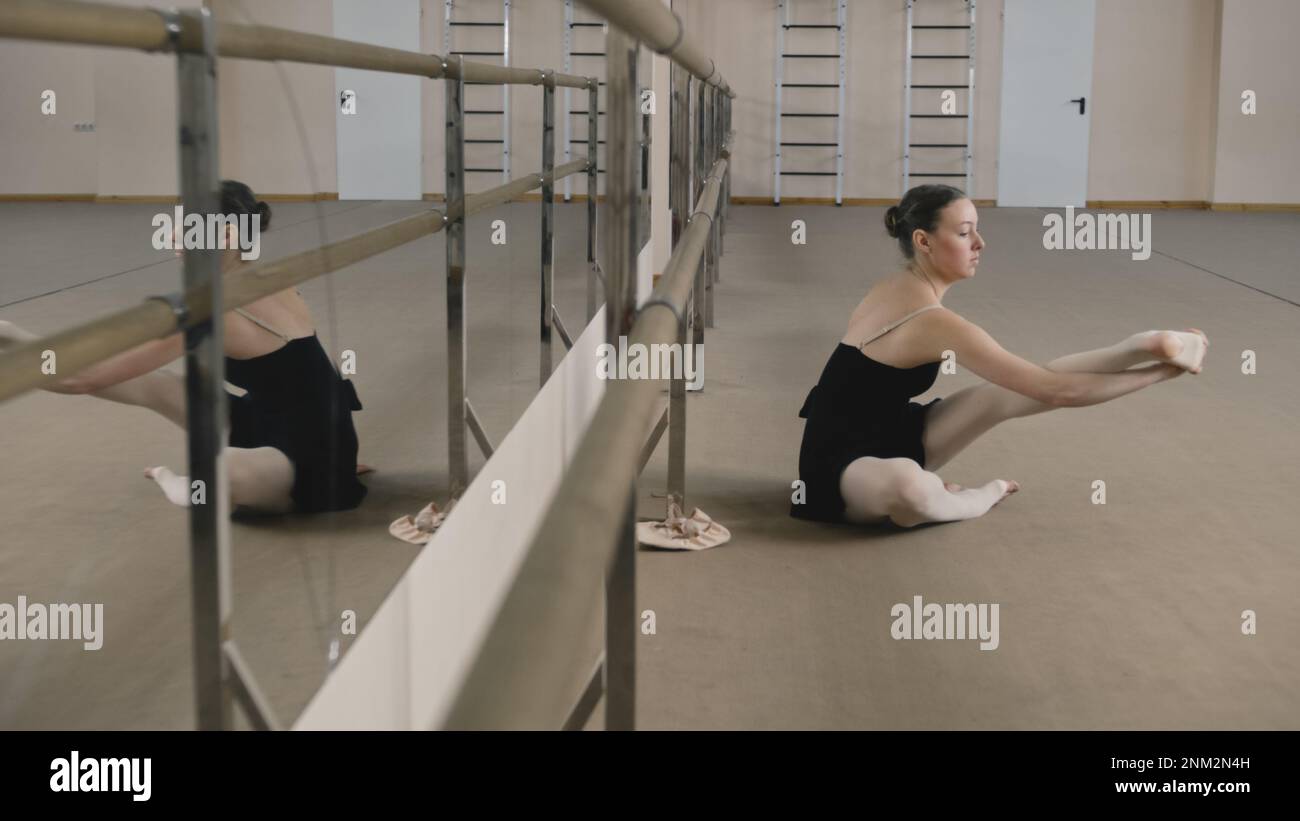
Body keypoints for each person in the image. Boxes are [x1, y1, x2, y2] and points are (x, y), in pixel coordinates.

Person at [791, 184, 1208, 528]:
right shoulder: (934, 322)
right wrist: (1159, 375)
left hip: (894, 432)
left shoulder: (894, 285)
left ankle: (1141, 342)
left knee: (1001, 394)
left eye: (977, 230)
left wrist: (1153, 362)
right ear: (923, 241)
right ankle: (975, 498)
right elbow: (1059, 392)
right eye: (964, 233)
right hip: (840, 466)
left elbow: (1041, 383)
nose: (980, 243)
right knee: (910, 489)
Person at [0, 180, 369, 514]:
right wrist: (12, 332)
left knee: (216, 472)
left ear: (225, 236)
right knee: (159, 383)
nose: (173, 237)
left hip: (306, 461)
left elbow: (83, 378)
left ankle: (173, 481)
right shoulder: (266, 277)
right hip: (279, 422)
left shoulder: (209, 311)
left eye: (186, 226)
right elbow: (316, 377)